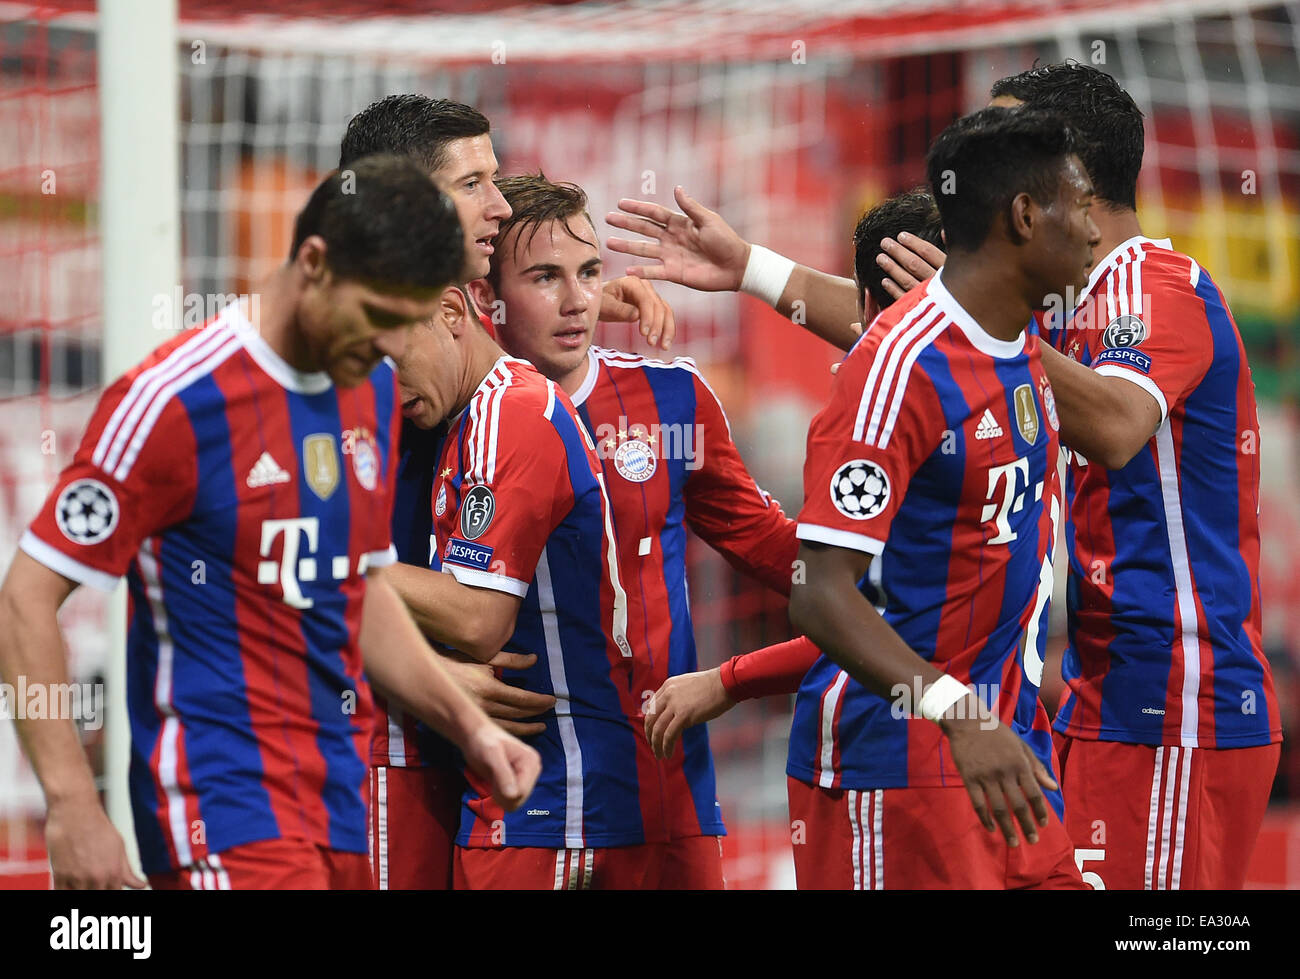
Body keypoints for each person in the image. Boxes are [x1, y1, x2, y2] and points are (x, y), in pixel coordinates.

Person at [0, 155, 540, 890]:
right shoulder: (173, 401)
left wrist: (468, 725)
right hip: (222, 811)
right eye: (378, 317)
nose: (388, 347)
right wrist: (69, 803)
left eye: (404, 326)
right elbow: (26, 596)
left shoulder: (367, 387)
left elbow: (357, 590)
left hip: (339, 805)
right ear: (314, 264)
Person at [338, 94, 673, 889]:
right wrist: (404, 667)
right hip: (370, 750)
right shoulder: (326, 364)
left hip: (470, 764)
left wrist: (590, 302)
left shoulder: (473, 362)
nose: (500, 202)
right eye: (474, 184)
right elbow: (260, 559)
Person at [788, 106, 1096, 889]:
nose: (1095, 231)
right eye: (1082, 204)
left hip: (1007, 753)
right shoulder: (898, 367)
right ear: (1026, 216)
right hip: (894, 768)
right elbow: (820, 596)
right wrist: (961, 716)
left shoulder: (1021, 346)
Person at [463, 172, 798, 887]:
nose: (578, 299)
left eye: (589, 273)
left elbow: (776, 552)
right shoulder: (455, 417)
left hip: (668, 805)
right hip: (526, 810)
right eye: (545, 277)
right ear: (486, 296)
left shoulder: (672, 400)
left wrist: (884, 559)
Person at [643, 189, 943, 759]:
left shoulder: (871, 415)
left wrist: (726, 680)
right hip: (1000, 735)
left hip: (881, 758)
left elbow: (844, 606)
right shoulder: (1027, 384)